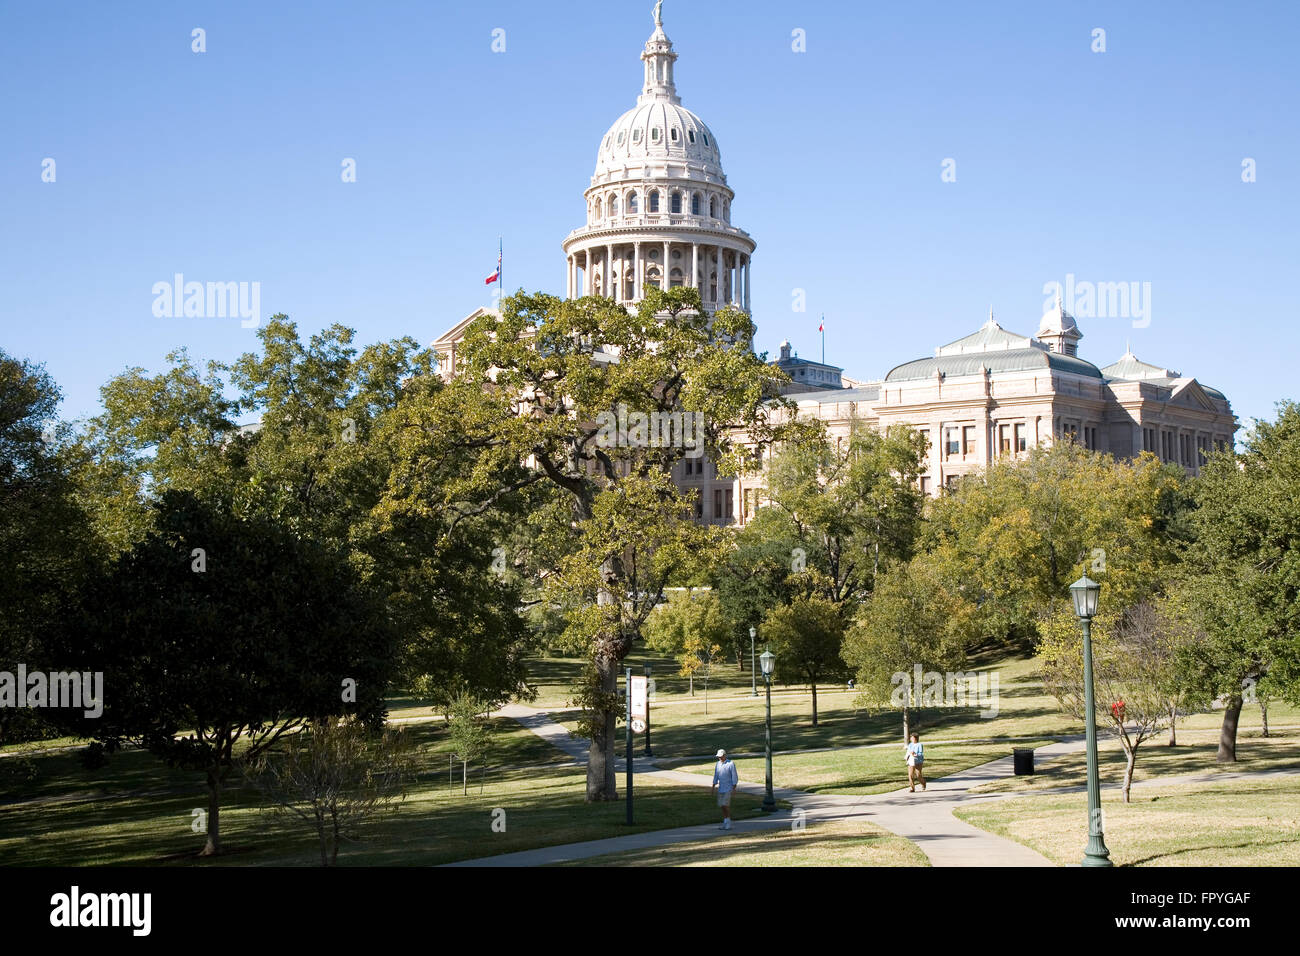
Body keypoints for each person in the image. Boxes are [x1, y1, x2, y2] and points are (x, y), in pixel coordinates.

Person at [712, 748, 739, 829]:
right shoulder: (717, 764)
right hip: (721, 788)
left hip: (728, 788)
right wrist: (713, 786)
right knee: (721, 806)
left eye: (721, 756)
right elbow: (716, 775)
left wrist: (734, 788)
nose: (719, 758)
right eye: (718, 757)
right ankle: (725, 821)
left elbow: (734, 776)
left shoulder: (730, 763)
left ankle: (728, 823)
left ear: (724, 755)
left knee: (725, 805)